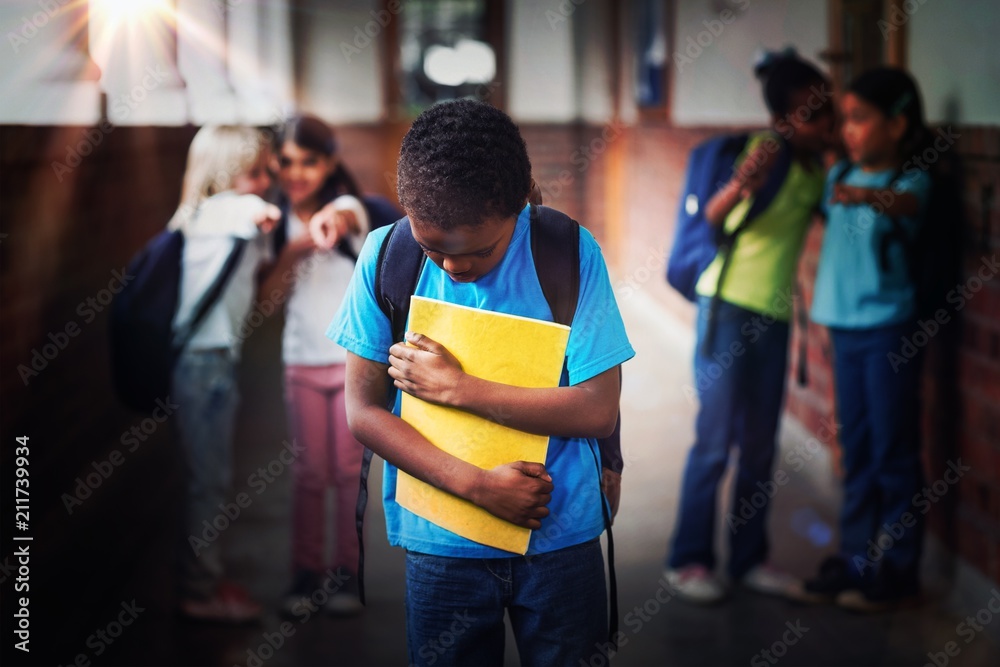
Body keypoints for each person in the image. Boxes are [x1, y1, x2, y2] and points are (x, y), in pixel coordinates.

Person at [327, 99, 634, 666]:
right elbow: (364, 412)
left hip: (559, 535)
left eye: (479, 250)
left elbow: (596, 409)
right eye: (432, 248)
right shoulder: (385, 257)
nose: (452, 268)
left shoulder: (567, 252)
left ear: (518, 208)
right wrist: (477, 486)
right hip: (441, 542)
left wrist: (459, 390)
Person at [664, 49, 836, 603]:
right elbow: (715, 217)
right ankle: (688, 561)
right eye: (813, 116)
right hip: (728, 308)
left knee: (760, 446)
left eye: (828, 112)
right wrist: (741, 185)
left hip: (776, 317)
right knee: (715, 441)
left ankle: (749, 559)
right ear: (786, 121)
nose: (825, 125)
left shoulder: (816, 166)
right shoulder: (768, 151)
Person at [804, 67, 931, 612]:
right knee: (854, 451)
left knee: (892, 453)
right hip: (844, 332)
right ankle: (856, 561)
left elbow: (904, 206)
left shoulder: (909, 184)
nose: (850, 130)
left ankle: (899, 571)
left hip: (887, 334)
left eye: (861, 118)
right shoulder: (838, 181)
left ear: (898, 123)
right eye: (845, 120)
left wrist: (861, 194)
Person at [268, 114, 402, 616]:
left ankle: (347, 574)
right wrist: (291, 251)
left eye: (310, 161)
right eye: (286, 161)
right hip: (301, 358)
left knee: (349, 473)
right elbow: (262, 302)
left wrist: (336, 217)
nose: (297, 172)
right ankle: (305, 574)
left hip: (353, 363)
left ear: (329, 163)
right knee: (308, 473)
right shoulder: (274, 219)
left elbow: (353, 212)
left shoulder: (353, 210)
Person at [169, 125, 281, 622]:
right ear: (223, 174)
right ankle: (201, 591)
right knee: (207, 481)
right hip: (203, 363)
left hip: (212, 361)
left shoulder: (211, 219)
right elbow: (257, 212)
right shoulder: (222, 212)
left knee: (209, 477)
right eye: (253, 171)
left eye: (264, 171)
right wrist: (265, 209)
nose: (262, 181)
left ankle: (206, 576)